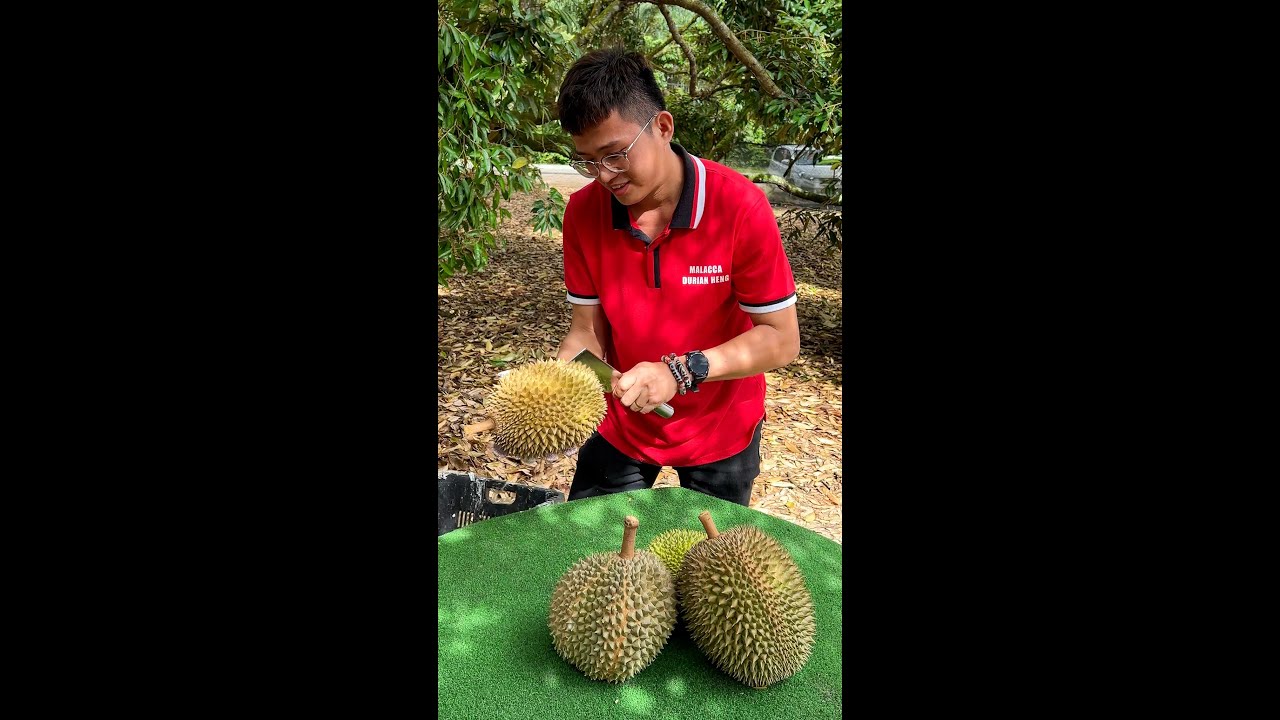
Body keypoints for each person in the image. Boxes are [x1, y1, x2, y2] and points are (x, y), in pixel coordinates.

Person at [552, 48, 800, 507]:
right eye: (587, 161)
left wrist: (681, 371)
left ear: (663, 127)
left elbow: (780, 340)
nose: (604, 176)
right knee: (593, 551)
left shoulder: (738, 207)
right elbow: (585, 330)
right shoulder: (583, 213)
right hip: (622, 424)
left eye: (616, 155)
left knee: (707, 564)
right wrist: (560, 382)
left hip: (721, 429)